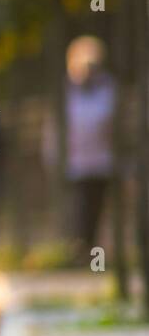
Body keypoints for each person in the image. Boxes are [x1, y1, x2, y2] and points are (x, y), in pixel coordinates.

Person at [62, 36, 118, 255]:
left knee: (96, 206)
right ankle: (79, 247)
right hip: (75, 161)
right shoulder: (67, 91)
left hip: (101, 159)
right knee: (80, 206)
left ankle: (92, 249)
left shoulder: (107, 88)